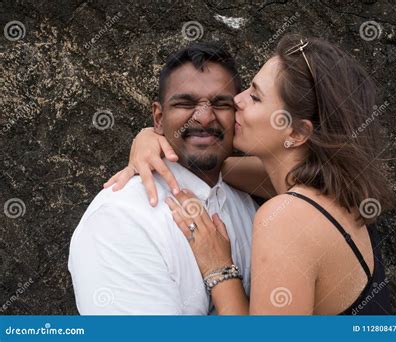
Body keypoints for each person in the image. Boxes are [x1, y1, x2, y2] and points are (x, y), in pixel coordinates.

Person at [105, 34, 394, 315]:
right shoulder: (333, 187)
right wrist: (153, 137)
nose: (237, 100)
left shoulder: (286, 219)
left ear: (296, 131)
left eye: (255, 97)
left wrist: (218, 268)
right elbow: (222, 170)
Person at [68, 42, 258, 314]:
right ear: (158, 118)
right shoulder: (120, 218)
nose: (204, 117)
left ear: (237, 116)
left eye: (220, 103)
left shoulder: (248, 203)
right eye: (185, 103)